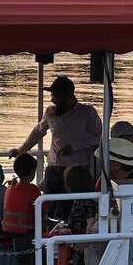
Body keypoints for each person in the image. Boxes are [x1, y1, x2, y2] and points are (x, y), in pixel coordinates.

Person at [16, 76, 104, 205]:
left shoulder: (88, 113)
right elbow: (38, 132)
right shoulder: (50, 112)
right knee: (49, 207)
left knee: (74, 207)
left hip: (77, 172)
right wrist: (21, 150)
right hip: (53, 169)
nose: (52, 99)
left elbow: (99, 139)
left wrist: (74, 146)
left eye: (55, 96)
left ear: (67, 96)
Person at [1, 153, 44, 265]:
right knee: (39, 264)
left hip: (14, 234)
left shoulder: (10, 188)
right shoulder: (33, 190)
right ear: (32, 172)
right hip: (29, 234)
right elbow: (41, 209)